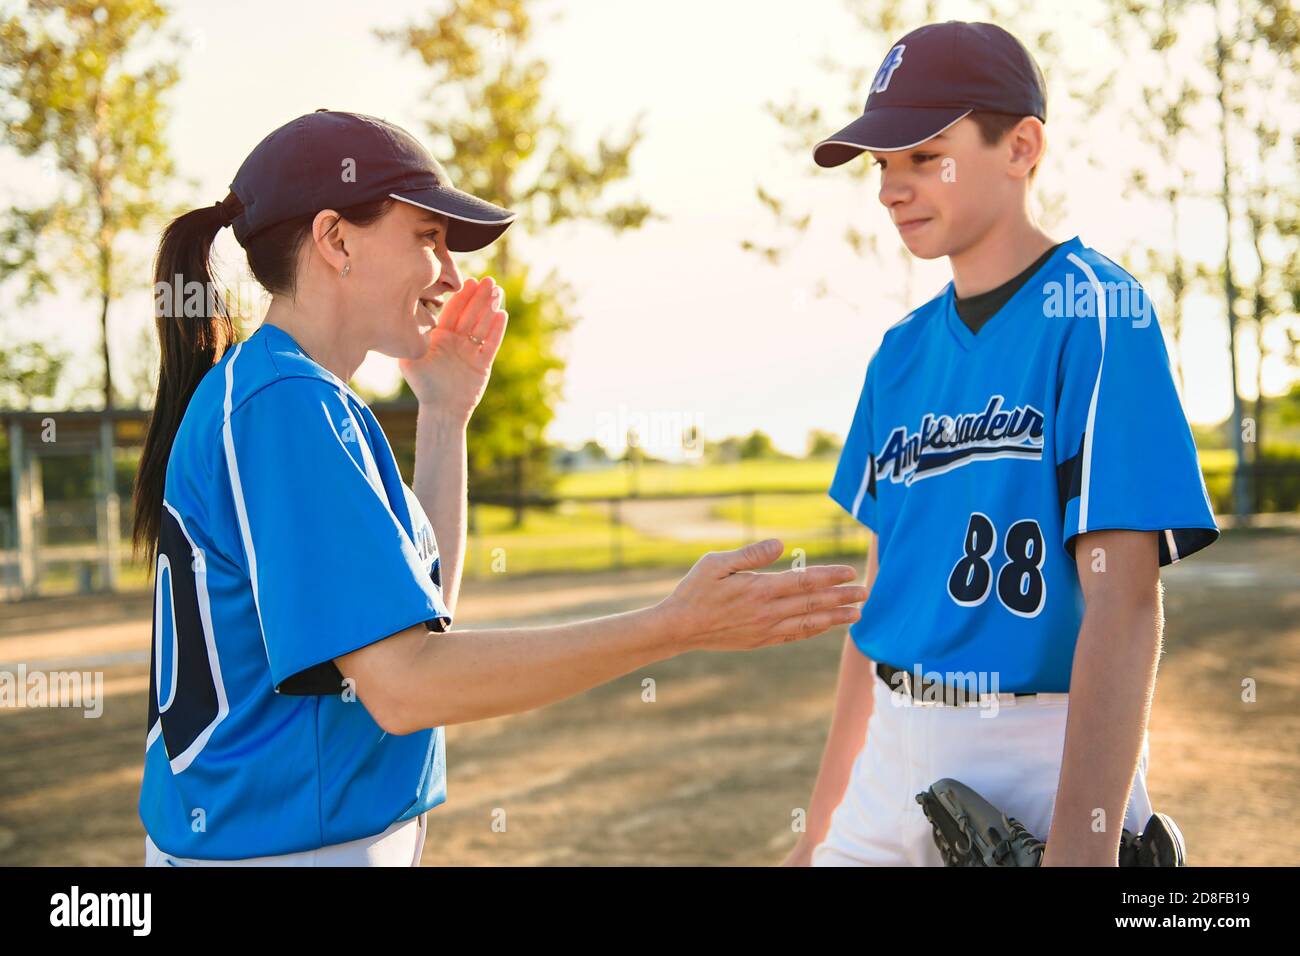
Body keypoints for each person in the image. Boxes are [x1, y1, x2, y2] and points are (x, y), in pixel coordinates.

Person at [132, 109, 867, 866]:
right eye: (428, 238)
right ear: (335, 240)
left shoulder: (289, 395)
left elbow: (423, 624)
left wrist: (445, 418)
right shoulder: (286, 406)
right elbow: (405, 687)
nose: (451, 275)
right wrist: (672, 625)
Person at [785, 22, 1219, 867]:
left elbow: (1123, 604)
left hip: (1035, 748)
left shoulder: (1095, 311)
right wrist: (821, 825)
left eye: (925, 154)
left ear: (1021, 146)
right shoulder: (900, 352)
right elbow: (878, 604)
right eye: (883, 164)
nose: (891, 188)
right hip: (889, 746)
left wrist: (1084, 846)